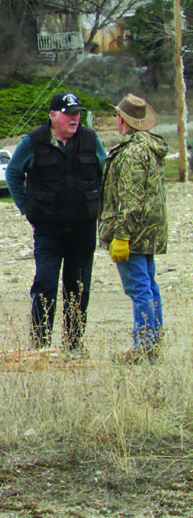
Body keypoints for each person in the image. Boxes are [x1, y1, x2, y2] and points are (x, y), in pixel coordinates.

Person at [6, 91, 106, 354]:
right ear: (53, 115)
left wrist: (100, 206)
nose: (75, 118)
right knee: (45, 285)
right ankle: (40, 345)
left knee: (78, 288)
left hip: (83, 227)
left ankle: (73, 345)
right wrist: (26, 208)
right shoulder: (33, 141)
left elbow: (105, 174)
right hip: (48, 229)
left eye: (77, 113)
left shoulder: (90, 139)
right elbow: (13, 174)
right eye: (69, 113)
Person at [98, 94, 168, 362]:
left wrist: (122, 235)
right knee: (149, 286)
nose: (116, 119)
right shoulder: (150, 147)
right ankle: (153, 345)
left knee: (140, 289)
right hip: (149, 231)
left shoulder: (132, 152)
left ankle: (145, 348)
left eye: (118, 115)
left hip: (133, 234)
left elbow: (131, 197)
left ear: (123, 119)